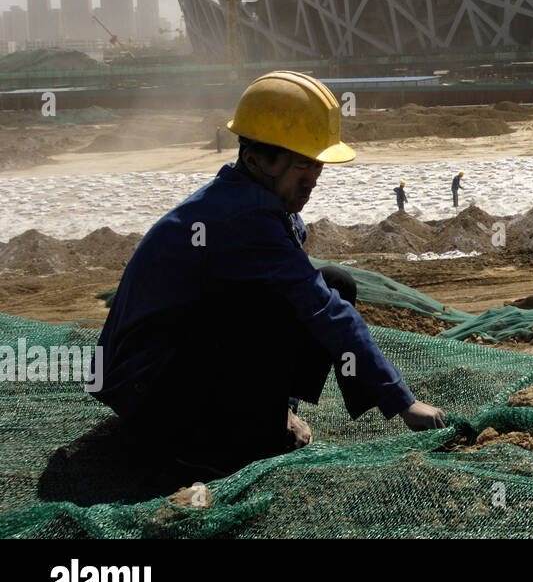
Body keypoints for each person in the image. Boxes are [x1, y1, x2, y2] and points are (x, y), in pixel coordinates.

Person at [90, 70, 447, 480]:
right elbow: (322, 311)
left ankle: (268, 416)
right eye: (302, 165)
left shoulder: (249, 197)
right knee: (288, 304)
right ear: (257, 158)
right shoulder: (242, 219)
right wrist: (401, 401)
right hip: (146, 388)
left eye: (317, 165)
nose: (313, 179)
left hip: (162, 368)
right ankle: (203, 445)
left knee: (333, 282)